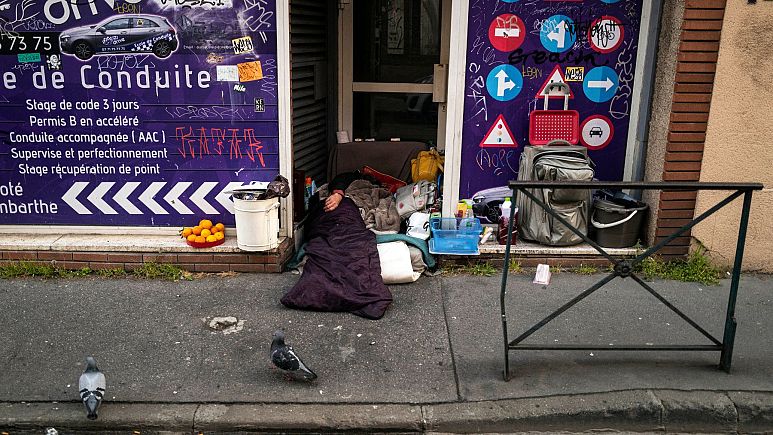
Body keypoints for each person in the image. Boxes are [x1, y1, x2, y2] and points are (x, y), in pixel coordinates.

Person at [280, 171, 394, 320]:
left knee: (352, 247)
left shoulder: (371, 191)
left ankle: (318, 288)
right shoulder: (351, 179)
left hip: (346, 219)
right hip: (333, 213)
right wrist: (338, 194)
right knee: (335, 245)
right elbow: (340, 180)